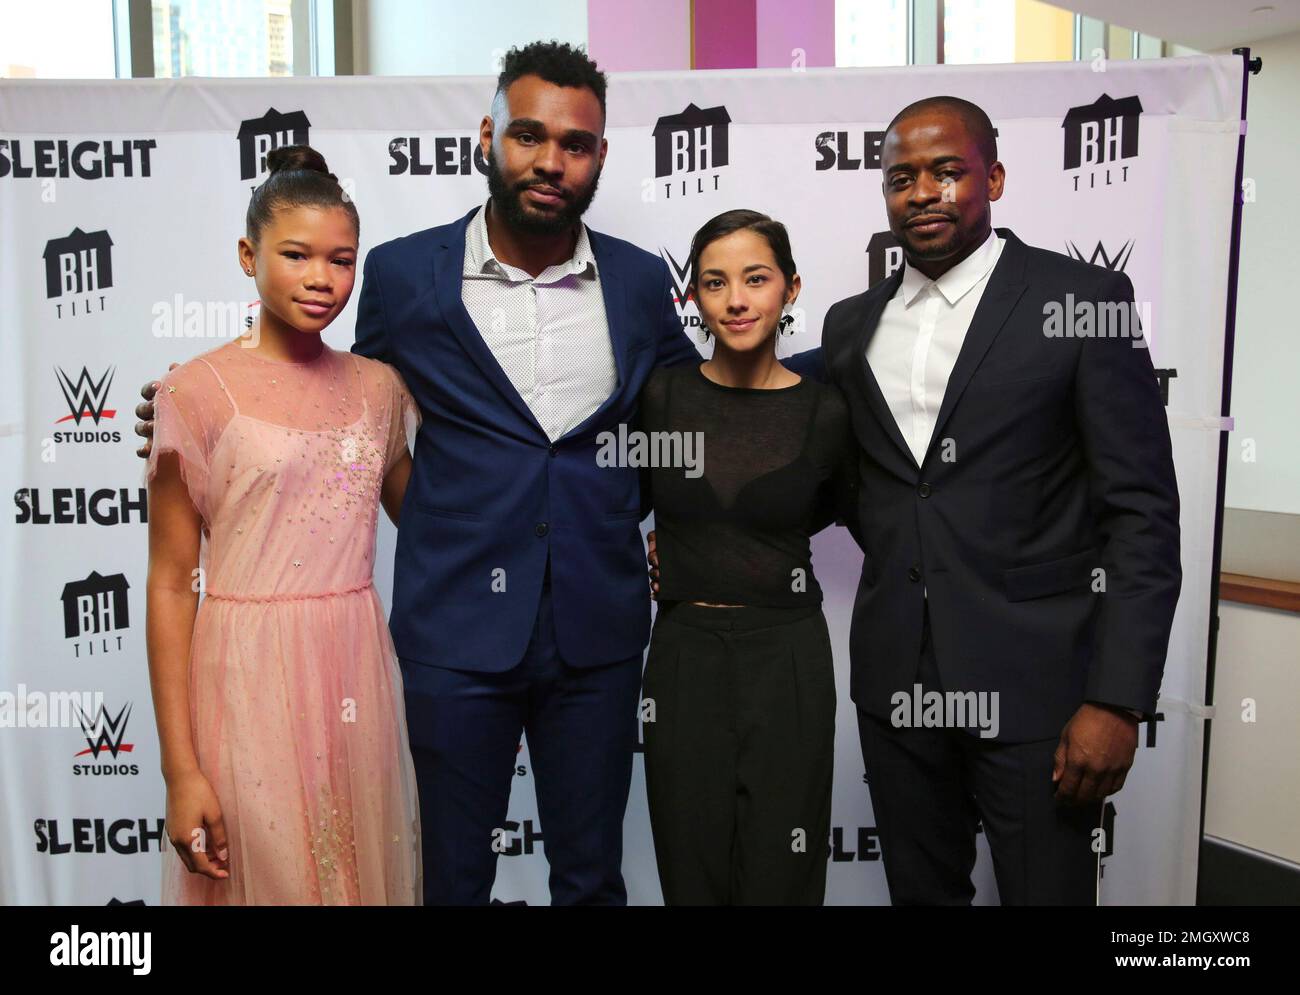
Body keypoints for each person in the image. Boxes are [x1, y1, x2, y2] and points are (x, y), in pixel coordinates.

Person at [138, 41, 821, 905]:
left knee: (590, 876)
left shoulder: (643, 282)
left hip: (598, 633)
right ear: (488, 137)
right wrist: (185, 417)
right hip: (453, 631)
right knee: (451, 878)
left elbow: (701, 406)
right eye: (528, 135)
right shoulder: (401, 274)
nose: (550, 160)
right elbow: (338, 406)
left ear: (601, 157)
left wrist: (831, 393)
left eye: (576, 144)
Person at [651, 95, 1182, 905]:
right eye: (903, 177)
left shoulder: (1084, 300)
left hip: (1035, 687)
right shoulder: (849, 326)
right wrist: (703, 540)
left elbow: (1143, 513)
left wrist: (1116, 698)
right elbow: (812, 468)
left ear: (994, 177)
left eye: (946, 171)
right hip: (897, 684)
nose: (923, 191)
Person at [144, 145, 422, 905]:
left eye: (341, 260)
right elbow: (170, 583)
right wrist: (181, 768)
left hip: (355, 667)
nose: (321, 278)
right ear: (248, 253)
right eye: (296, 254)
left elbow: (428, 519)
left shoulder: (380, 387)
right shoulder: (192, 391)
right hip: (245, 679)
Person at [638, 210, 855, 905]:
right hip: (681, 660)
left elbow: (840, 510)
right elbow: (612, 504)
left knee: (781, 877)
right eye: (714, 282)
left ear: (791, 288)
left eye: (755, 279)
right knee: (689, 870)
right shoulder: (661, 397)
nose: (736, 299)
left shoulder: (827, 412)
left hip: (787, 657)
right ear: (693, 298)